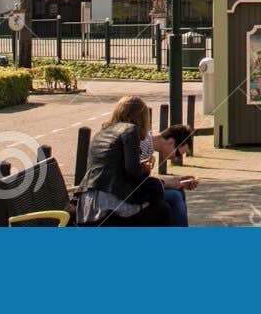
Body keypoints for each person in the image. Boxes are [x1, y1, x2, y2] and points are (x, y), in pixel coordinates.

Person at [77, 96, 196, 226]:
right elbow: (133, 171)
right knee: (163, 210)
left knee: (163, 204)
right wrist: (146, 169)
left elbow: (123, 171)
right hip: (108, 205)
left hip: (88, 206)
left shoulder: (102, 132)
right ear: (141, 118)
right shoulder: (130, 130)